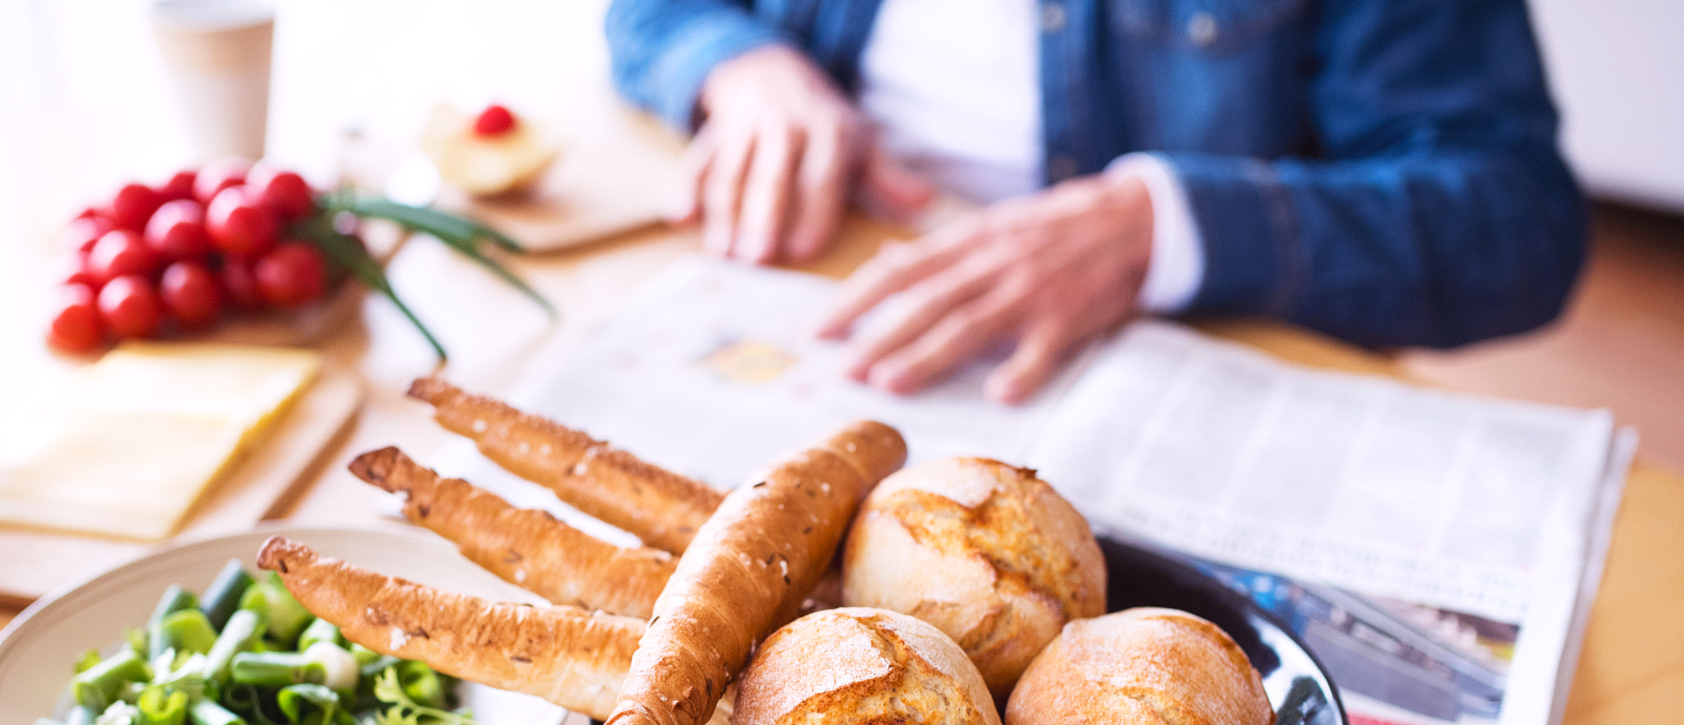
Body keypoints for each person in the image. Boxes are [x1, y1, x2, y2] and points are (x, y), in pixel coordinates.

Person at [605, 0, 1586, 402]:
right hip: (809, 287)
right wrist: (737, 64)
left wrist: (1162, 227)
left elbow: (1514, 220)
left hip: (1179, 364)